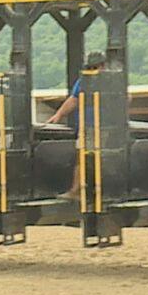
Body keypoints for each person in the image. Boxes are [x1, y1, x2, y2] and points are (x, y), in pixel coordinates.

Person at [46, 51, 107, 201]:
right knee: (84, 156)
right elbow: (74, 99)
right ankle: (81, 190)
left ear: (103, 66)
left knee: (89, 157)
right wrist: (58, 115)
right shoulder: (85, 80)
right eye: (90, 67)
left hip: (102, 127)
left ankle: (83, 190)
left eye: (95, 67)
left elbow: (125, 98)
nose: (93, 70)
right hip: (88, 126)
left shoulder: (110, 81)